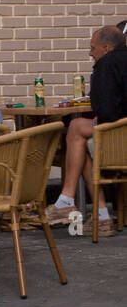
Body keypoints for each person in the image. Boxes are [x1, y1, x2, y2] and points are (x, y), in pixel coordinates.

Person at [45, 25, 127, 237]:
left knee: (75, 127)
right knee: (82, 141)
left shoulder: (107, 64)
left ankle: (67, 200)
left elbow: (107, 111)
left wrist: (99, 117)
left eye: (93, 48)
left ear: (107, 48)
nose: (90, 53)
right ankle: (101, 217)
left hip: (120, 143)